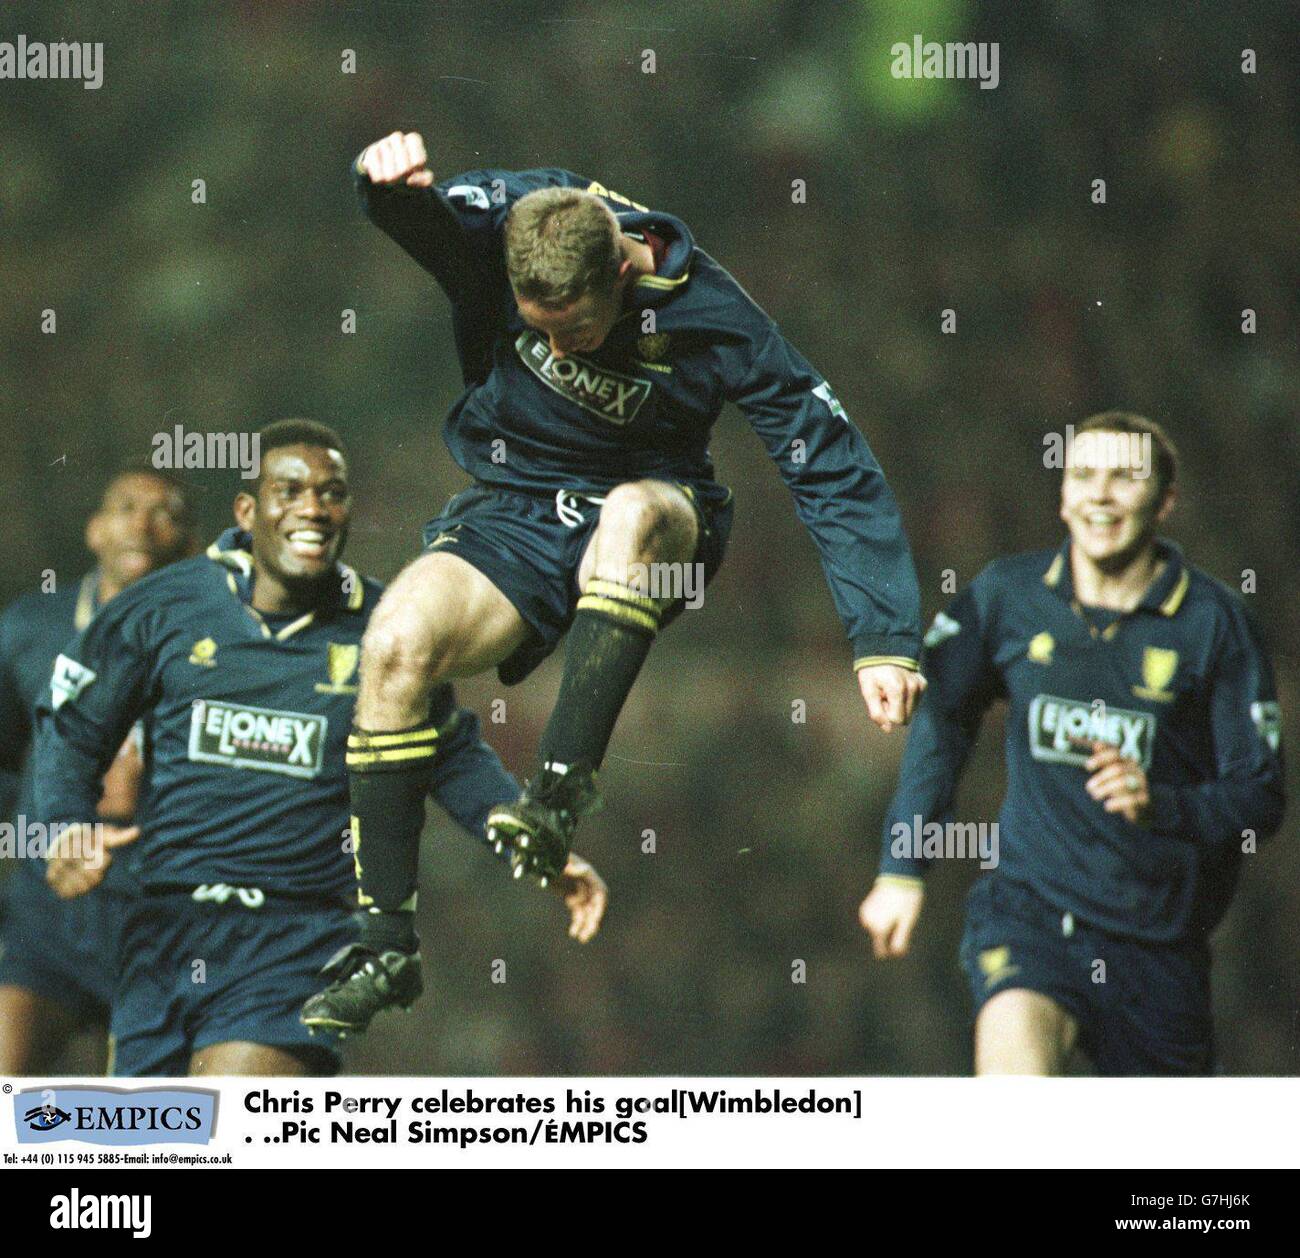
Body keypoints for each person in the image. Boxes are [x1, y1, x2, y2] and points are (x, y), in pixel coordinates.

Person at [302, 130, 926, 1031]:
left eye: (576, 330)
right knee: (395, 644)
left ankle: (555, 800)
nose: (558, 343)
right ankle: (384, 945)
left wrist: (882, 637)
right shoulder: (516, 216)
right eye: (539, 327)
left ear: (624, 278)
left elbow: (826, 460)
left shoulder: (716, 314)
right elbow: (435, 230)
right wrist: (387, 190)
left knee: (630, 514)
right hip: (515, 506)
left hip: (662, 513)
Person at [38, 420, 606, 1074]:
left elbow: (449, 754)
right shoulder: (166, 607)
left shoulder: (383, 628)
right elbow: (75, 724)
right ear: (248, 511)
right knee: (152, 1148)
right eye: (290, 489)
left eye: (332, 493)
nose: (313, 507)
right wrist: (61, 829)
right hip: (161, 936)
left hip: (295, 942)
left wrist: (530, 839)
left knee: (235, 1128)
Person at [859, 412, 1285, 1075]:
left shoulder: (1215, 624)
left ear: (1165, 500)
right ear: (1062, 495)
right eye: (1082, 475)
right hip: (1031, 916)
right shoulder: (1006, 596)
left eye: (1124, 477)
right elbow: (943, 718)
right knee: (1016, 1104)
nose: (1099, 494)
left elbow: (1261, 796)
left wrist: (1162, 805)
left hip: (1161, 947)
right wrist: (901, 866)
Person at [0, 465, 197, 1073]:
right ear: (93, 531)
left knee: (156, 1130)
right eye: (125, 506)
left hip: (165, 924)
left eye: (165, 511)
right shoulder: (28, 630)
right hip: (48, 919)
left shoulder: (219, 646)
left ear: (191, 545)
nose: (142, 523)